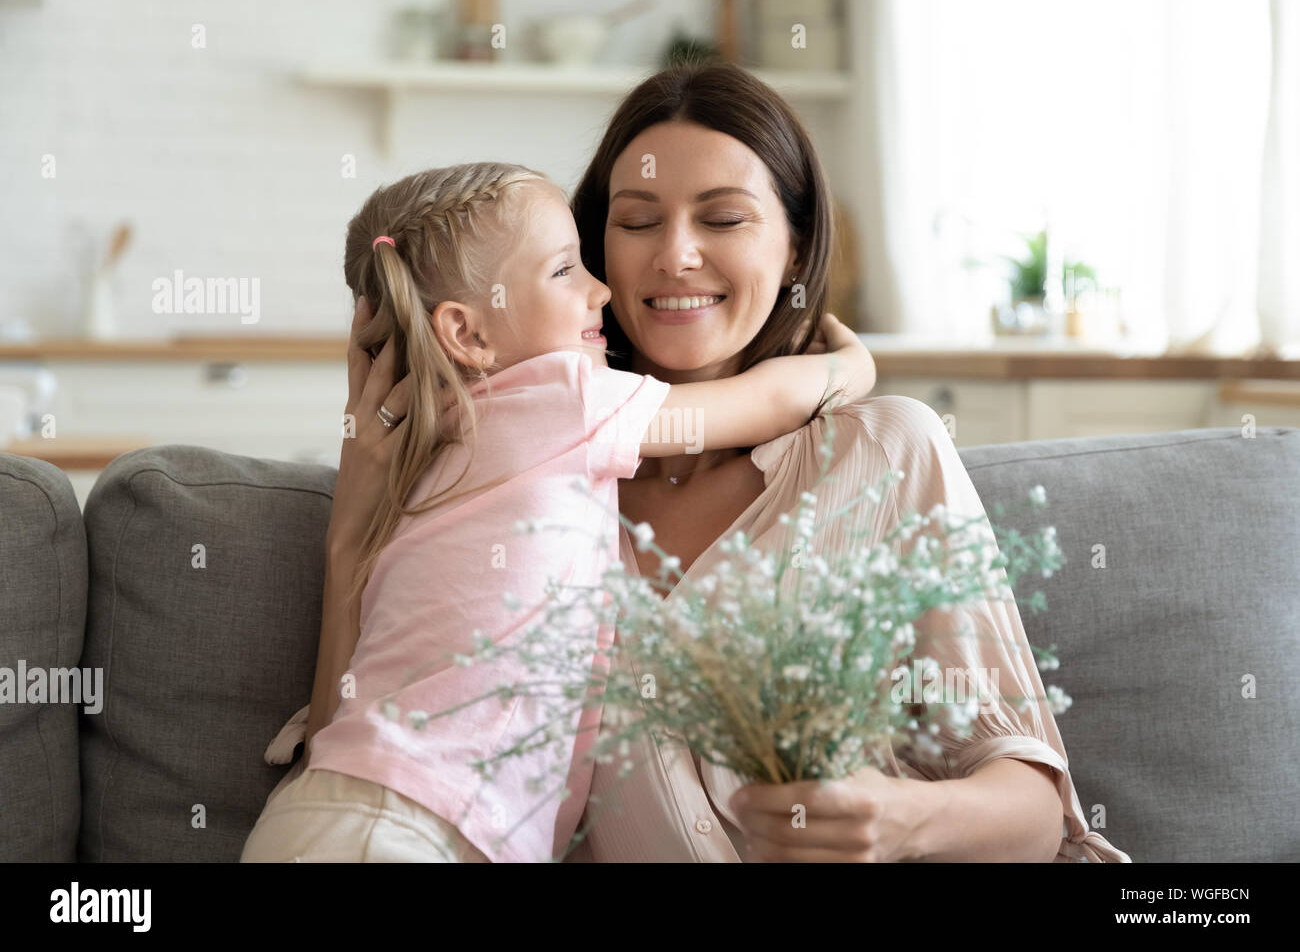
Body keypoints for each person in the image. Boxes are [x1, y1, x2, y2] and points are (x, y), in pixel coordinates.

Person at [297, 60, 1131, 863]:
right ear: (593, 253)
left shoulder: (885, 451)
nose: (675, 256)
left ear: (799, 251)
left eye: (724, 218)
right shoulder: (503, 473)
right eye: (636, 220)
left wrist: (899, 820)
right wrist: (352, 529)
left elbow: (1032, 817)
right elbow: (346, 740)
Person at [239, 161, 876, 863]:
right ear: (468, 334)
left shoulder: (429, 448)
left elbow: (337, 726)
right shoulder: (561, 398)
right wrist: (852, 368)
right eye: (565, 270)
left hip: (347, 814)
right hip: (398, 833)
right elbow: (768, 403)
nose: (600, 287)